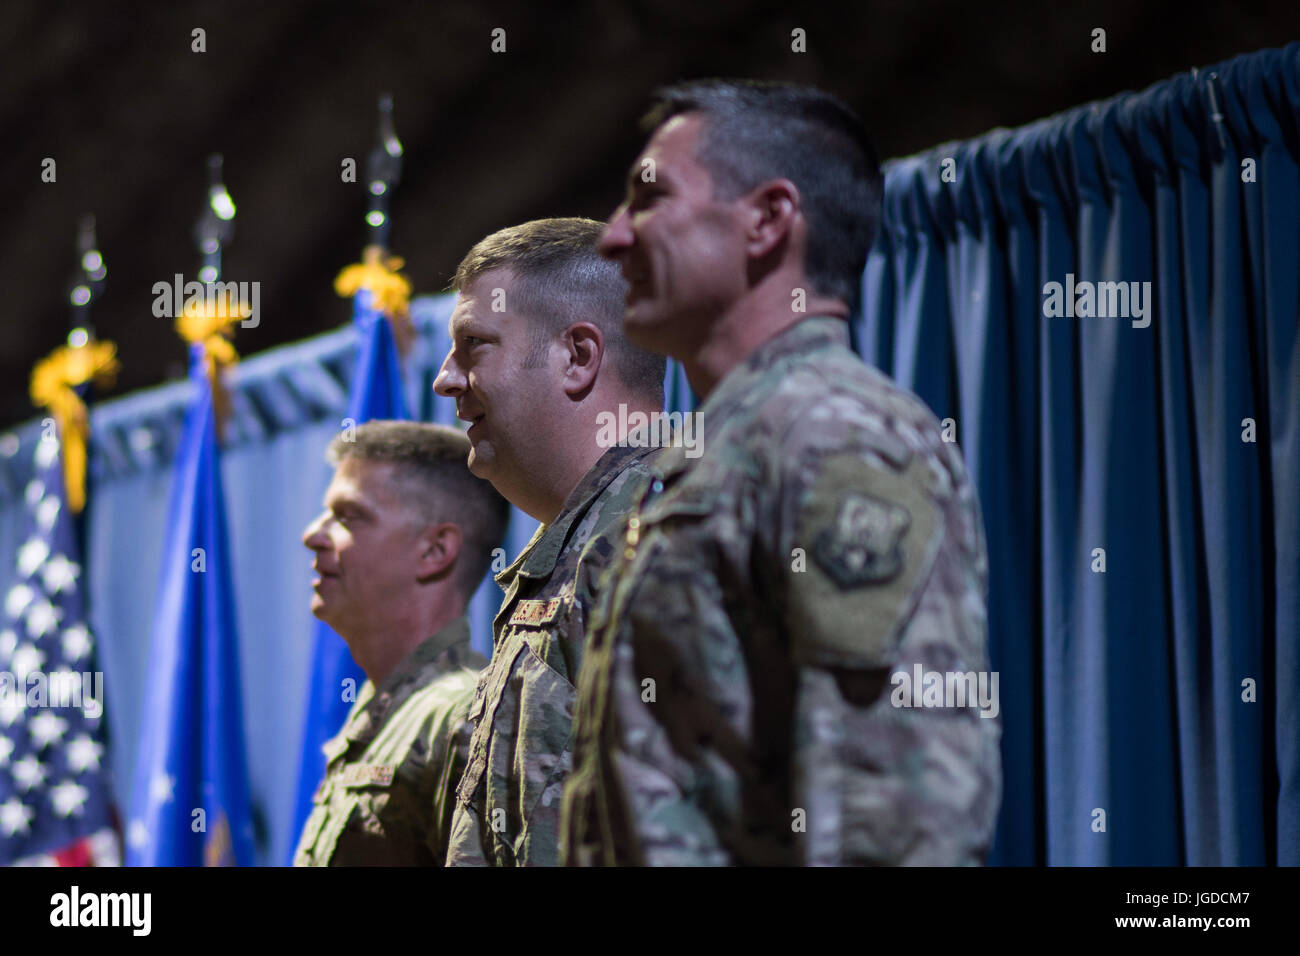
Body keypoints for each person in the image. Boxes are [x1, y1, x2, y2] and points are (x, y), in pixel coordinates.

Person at [561, 80, 1002, 865]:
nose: (614, 237)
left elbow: (893, 812)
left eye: (651, 199)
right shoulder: (730, 446)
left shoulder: (839, 435)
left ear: (766, 220)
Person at [433, 217, 667, 866]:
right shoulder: (578, 543)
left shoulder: (663, 531)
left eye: (474, 345)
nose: (445, 379)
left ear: (578, 356)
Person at [293, 421, 509, 866]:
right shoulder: (385, 707)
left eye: (348, 516)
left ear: (435, 550)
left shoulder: (462, 718)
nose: (313, 535)